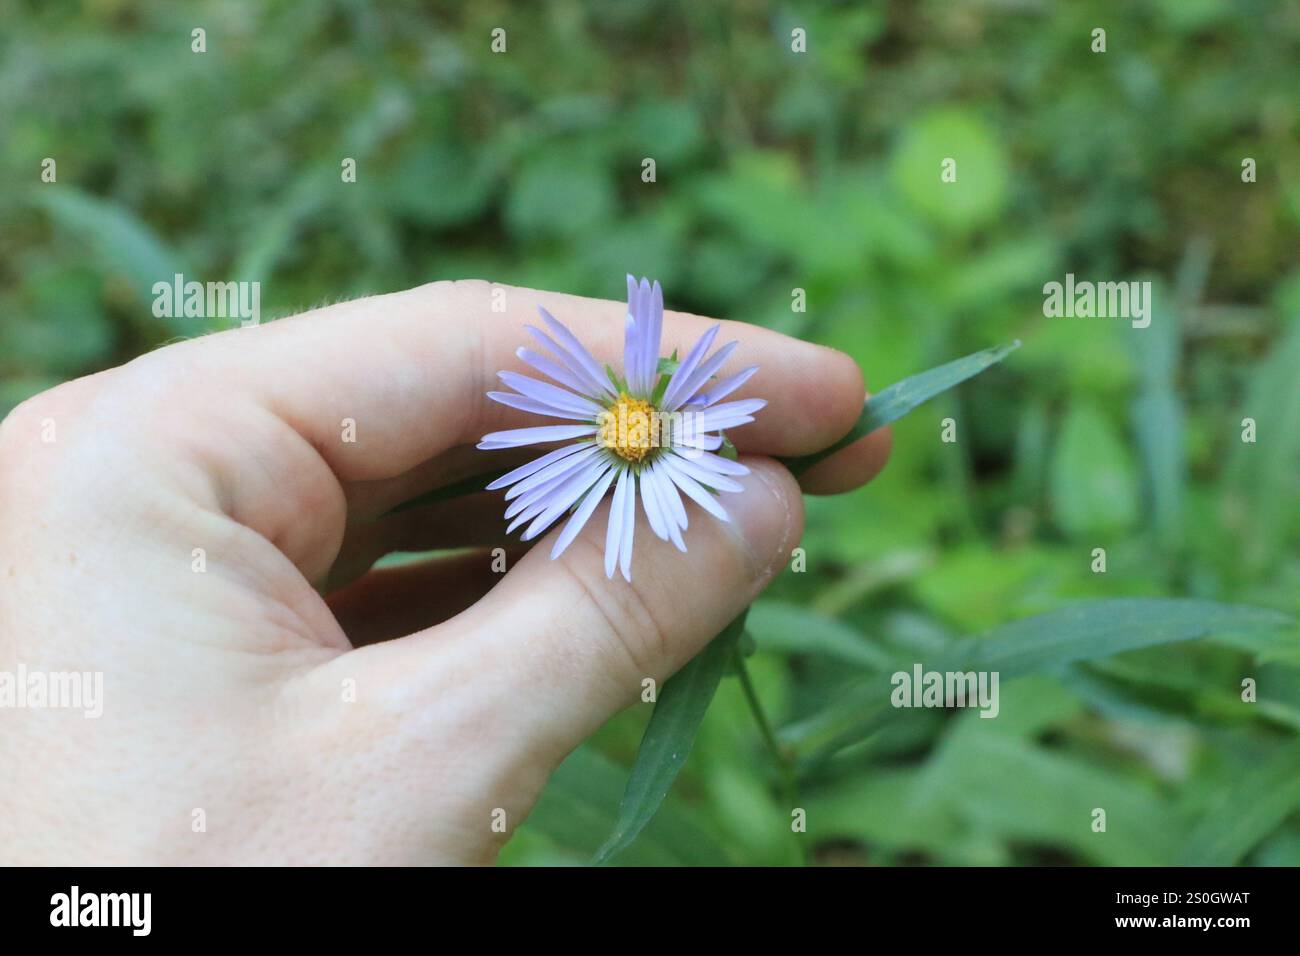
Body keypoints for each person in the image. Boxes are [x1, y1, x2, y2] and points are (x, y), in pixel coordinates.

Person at [0, 279, 890, 864]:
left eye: (637, 417)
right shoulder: (611, 437)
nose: (629, 424)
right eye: (623, 418)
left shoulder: (660, 426)